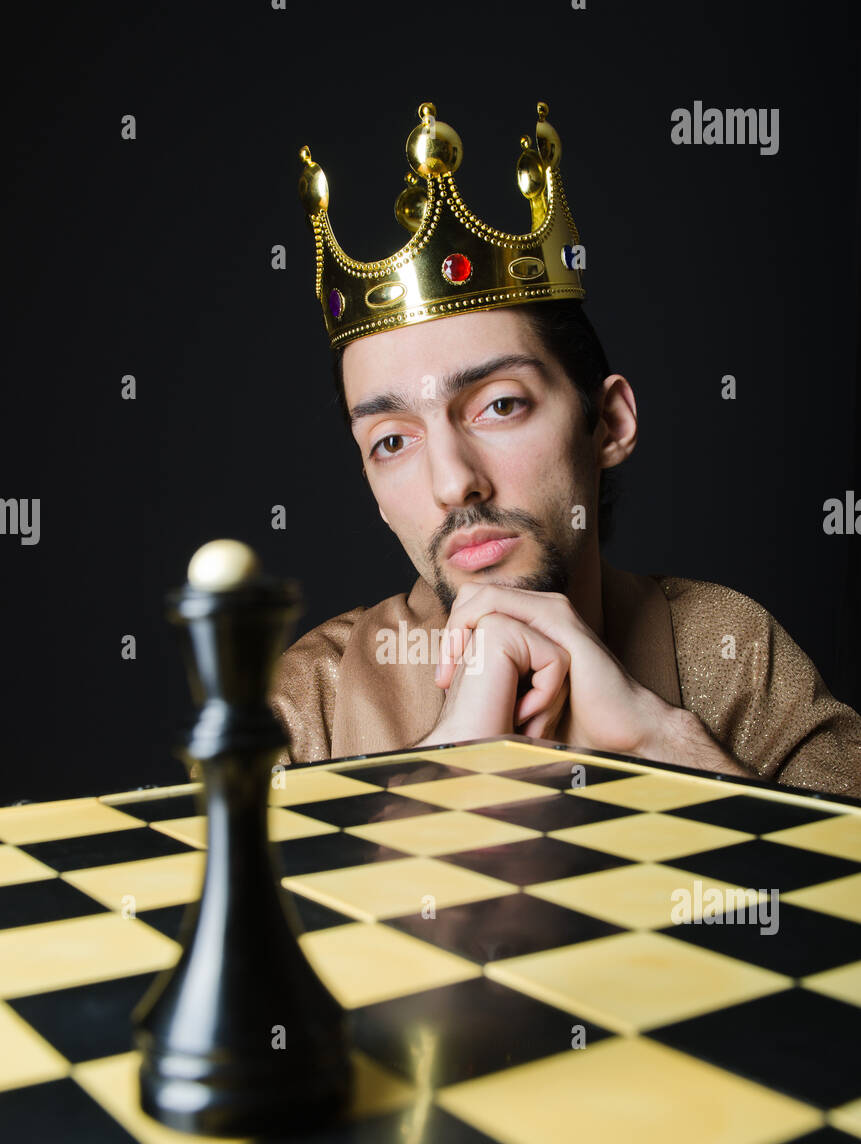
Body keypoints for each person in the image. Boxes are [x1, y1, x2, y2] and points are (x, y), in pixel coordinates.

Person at [271, 101, 861, 799]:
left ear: (607, 422)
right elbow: (235, 905)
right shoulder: (315, 694)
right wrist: (449, 763)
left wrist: (660, 739)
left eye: (498, 405)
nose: (453, 483)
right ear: (372, 489)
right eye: (392, 441)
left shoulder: (729, 648)